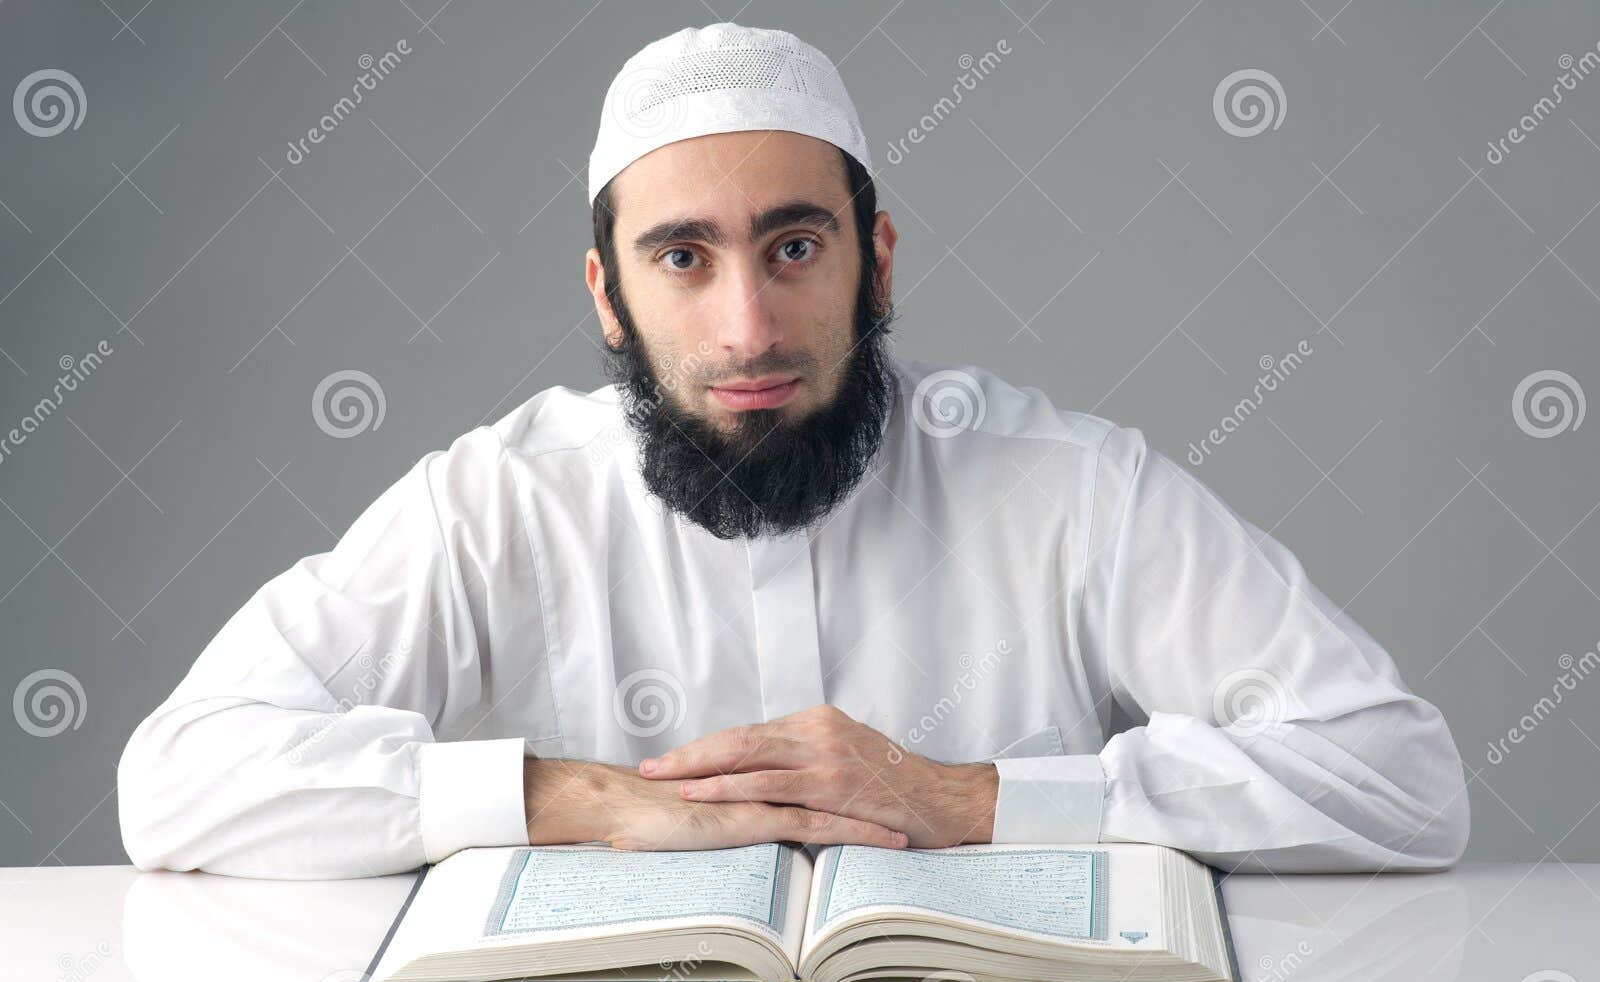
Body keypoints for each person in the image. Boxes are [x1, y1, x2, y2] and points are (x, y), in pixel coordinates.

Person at [117, 22, 1469, 880]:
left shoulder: (1071, 489)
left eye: (794, 247)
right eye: (684, 258)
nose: (748, 325)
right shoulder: (496, 506)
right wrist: (580, 799)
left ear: (874, 259)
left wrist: (971, 800)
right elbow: (178, 778)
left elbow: (1402, 779)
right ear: (607, 294)